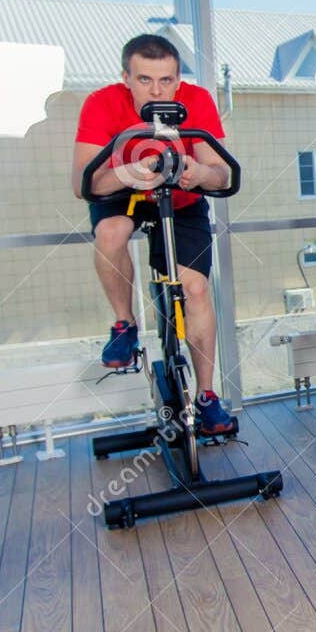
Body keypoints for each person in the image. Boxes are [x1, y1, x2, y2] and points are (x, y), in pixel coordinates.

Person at [72, 34, 237, 435]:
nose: (157, 90)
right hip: (121, 191)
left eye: (166, 80)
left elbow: (223, 173)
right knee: (110, 232)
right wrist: (131, 172)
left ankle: (207, 396)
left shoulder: (196, 100)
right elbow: (82, 183)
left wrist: (198, 172)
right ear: (125, 77)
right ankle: (124, 325)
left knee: (196, 290)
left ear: (179, 78)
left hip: (180, 199)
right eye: (145, 80)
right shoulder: (101, 103)